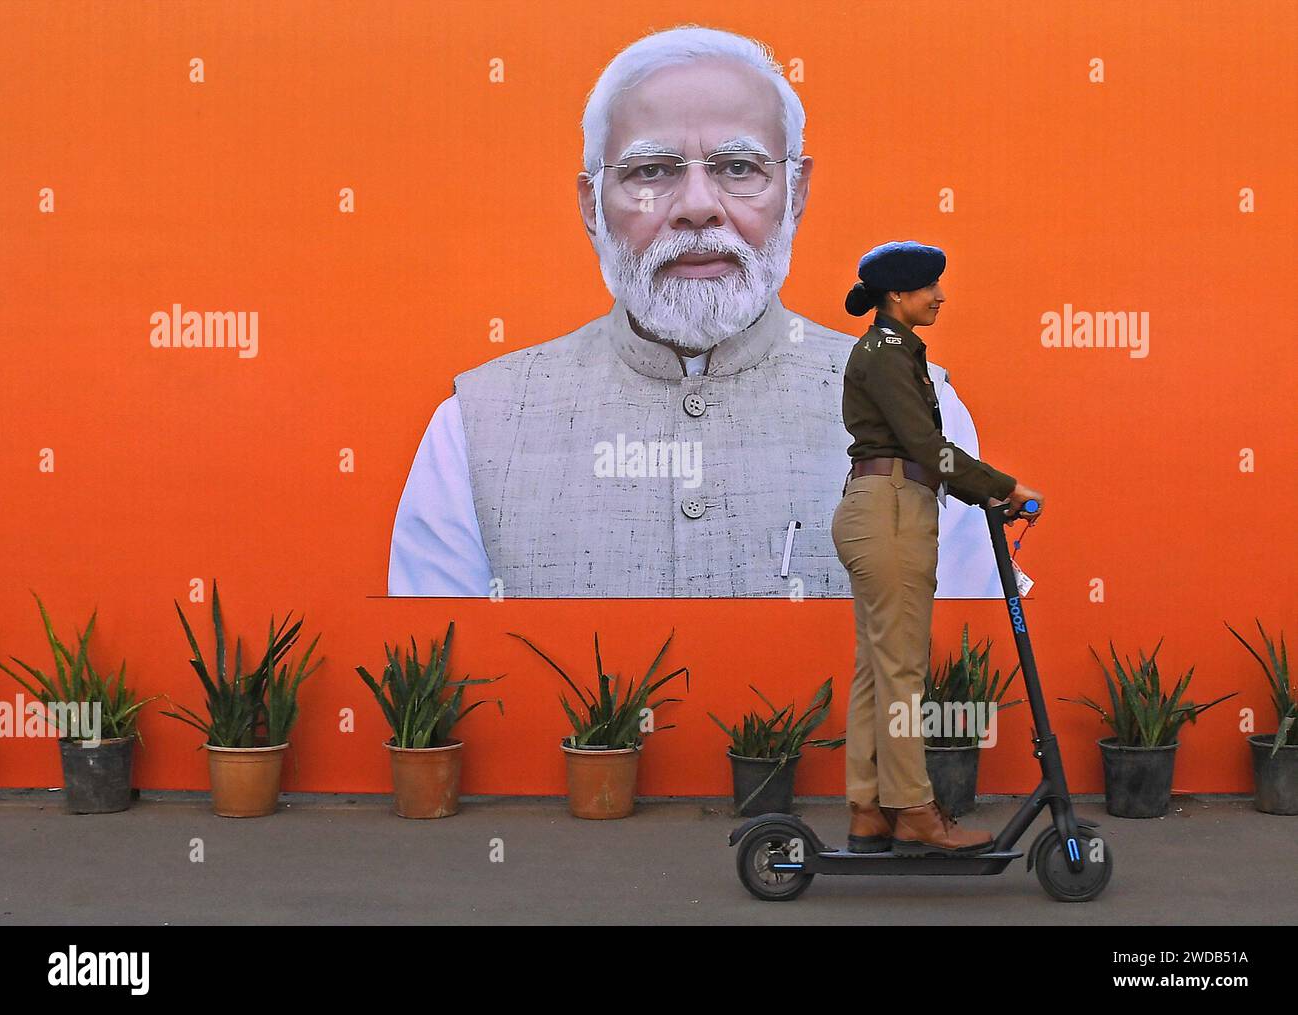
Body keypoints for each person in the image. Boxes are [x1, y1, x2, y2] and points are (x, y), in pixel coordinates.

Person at [387, 25, 1010, 600]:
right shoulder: (474, 430)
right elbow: (437, 703)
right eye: (650, 171)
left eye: (738, 168)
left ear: (795, 196)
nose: (695, 206)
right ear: (591, 206)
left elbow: (958, 671)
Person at [831, 240, 1044, 856]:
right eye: (930, 286)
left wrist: (982, 489)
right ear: (898, 295)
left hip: (883, 505)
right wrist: (1002, 486)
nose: (940, 296)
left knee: (877, 670)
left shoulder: (887, 351)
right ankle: (915, 810)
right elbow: (928, 445)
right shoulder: (887, 352)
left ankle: (869, 809)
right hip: (892, 506)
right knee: (901, 670)